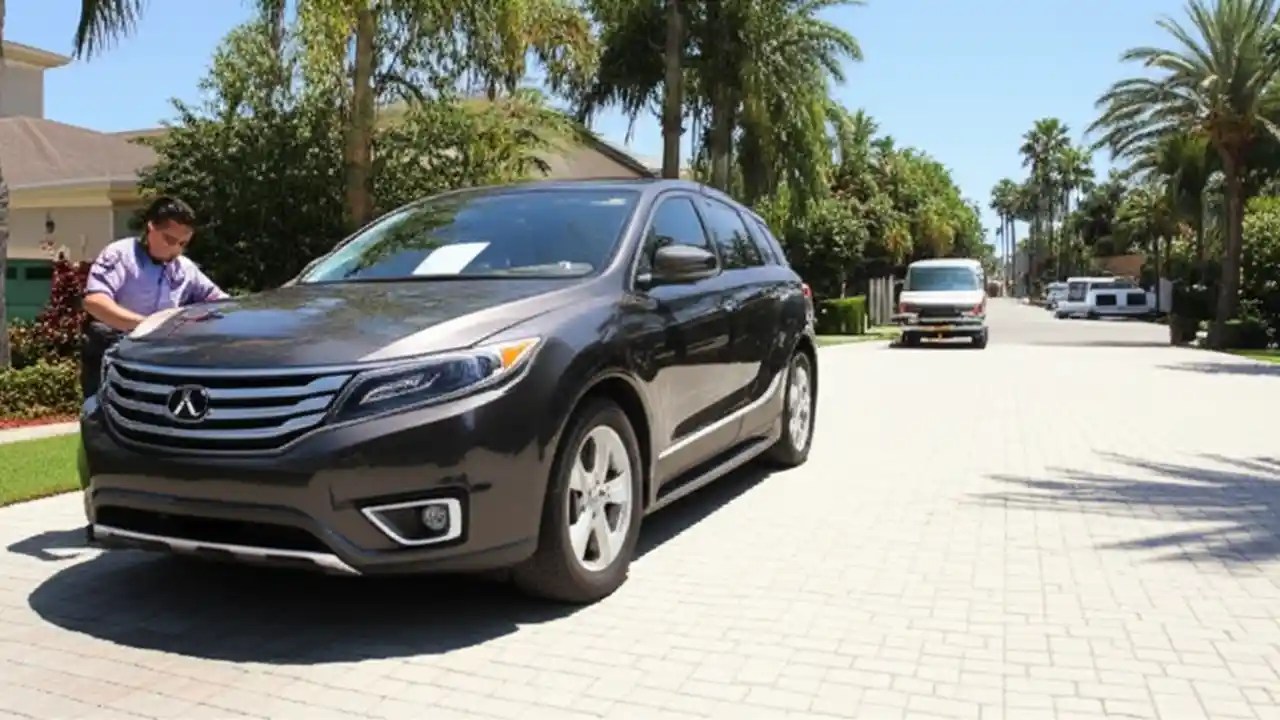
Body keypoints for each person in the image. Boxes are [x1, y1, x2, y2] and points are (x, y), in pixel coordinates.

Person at [79, 196, 229, 397]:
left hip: (158, 359)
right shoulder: (120, 255)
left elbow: (223, 304)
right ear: (151, 228)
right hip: (112, 354)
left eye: (183, 243)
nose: (176, 249)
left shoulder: (184, 268)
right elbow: (95, 302)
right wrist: (148, 326)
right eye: (170, 240)